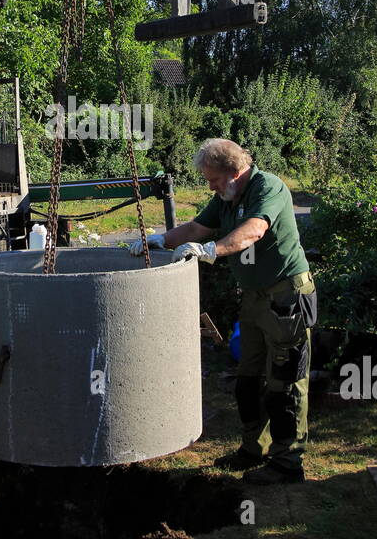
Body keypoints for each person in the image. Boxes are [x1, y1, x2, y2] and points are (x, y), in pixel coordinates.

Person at [129, 138, 316, 484]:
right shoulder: (225, 198)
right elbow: (197, 228)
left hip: (286, 295)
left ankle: (288, 462)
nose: (210, 186)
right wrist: (158, 240)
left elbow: (255, 230)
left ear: (234, 171)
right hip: (255, 298)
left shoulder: (267, 188)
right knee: (248, 378)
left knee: (285, 380)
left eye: (213, 179)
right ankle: (252, 449)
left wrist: (211, 250)